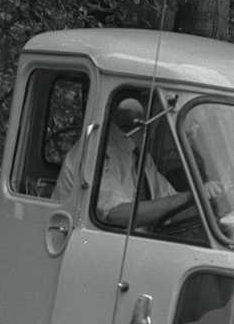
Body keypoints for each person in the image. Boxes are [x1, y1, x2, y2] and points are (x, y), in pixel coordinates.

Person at [54, 94, 178, 226]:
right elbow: (115, 214)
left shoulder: (141, 156)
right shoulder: (97, 149)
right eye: (162, 113)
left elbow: (169, 200)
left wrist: (191, 200)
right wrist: (186, 198)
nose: (163, 122)